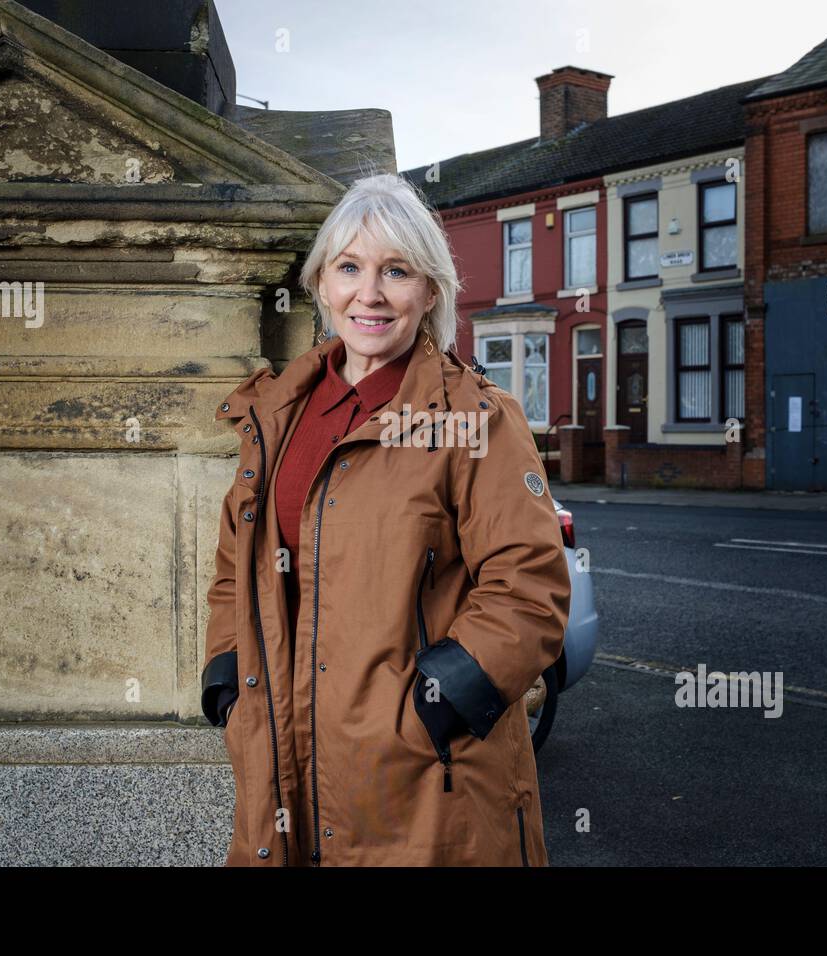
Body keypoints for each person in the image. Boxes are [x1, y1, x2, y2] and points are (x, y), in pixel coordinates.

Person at [201, 171, 571, 866]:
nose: (368, 294)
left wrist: (433, 708)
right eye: (349, 267)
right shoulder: (277, 413)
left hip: (426, 784)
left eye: (395, 270)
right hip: (283, 763)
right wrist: (227, 680)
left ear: (429, 291)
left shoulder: (473, 418)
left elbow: (529, 589)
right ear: (322, 284)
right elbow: (236, 566)